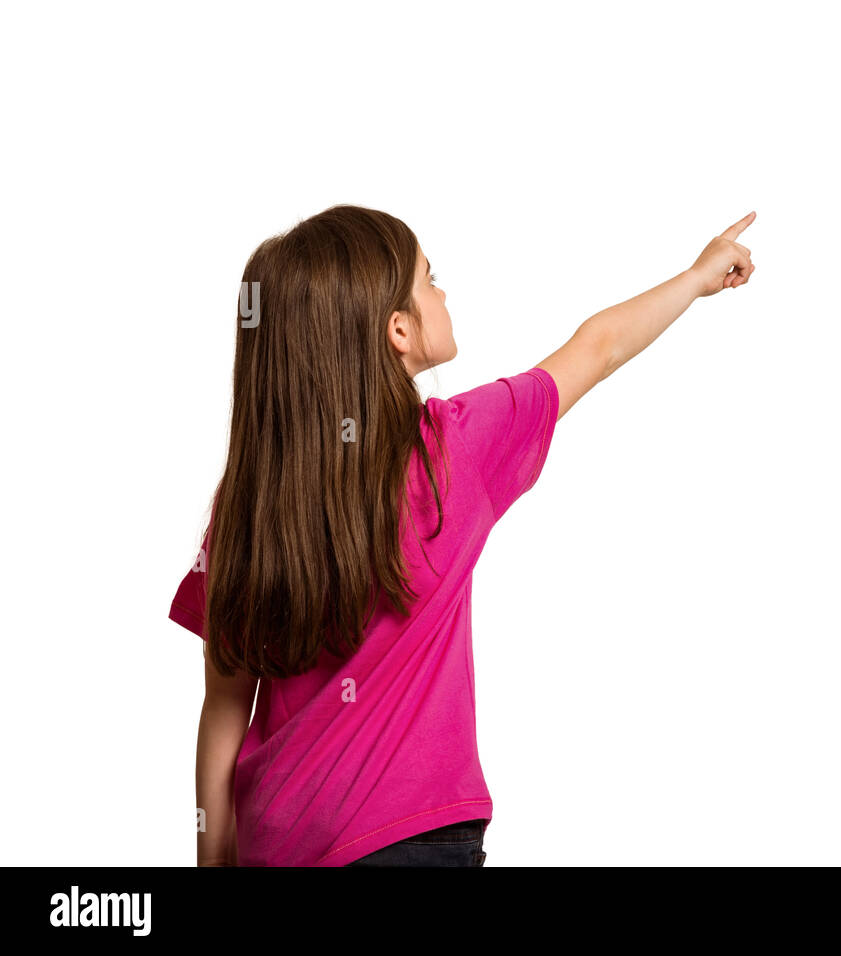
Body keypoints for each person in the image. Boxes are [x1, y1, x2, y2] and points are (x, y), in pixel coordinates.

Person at [171, 204, 756, 866]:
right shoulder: (455, 450)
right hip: (408, 841)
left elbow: (224, 711)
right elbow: (598, 346)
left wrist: (212, 863)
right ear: (398, 329)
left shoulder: (246, 505)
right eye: (429, 279)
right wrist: (695, 278)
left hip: (274, 846)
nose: (442, 291)